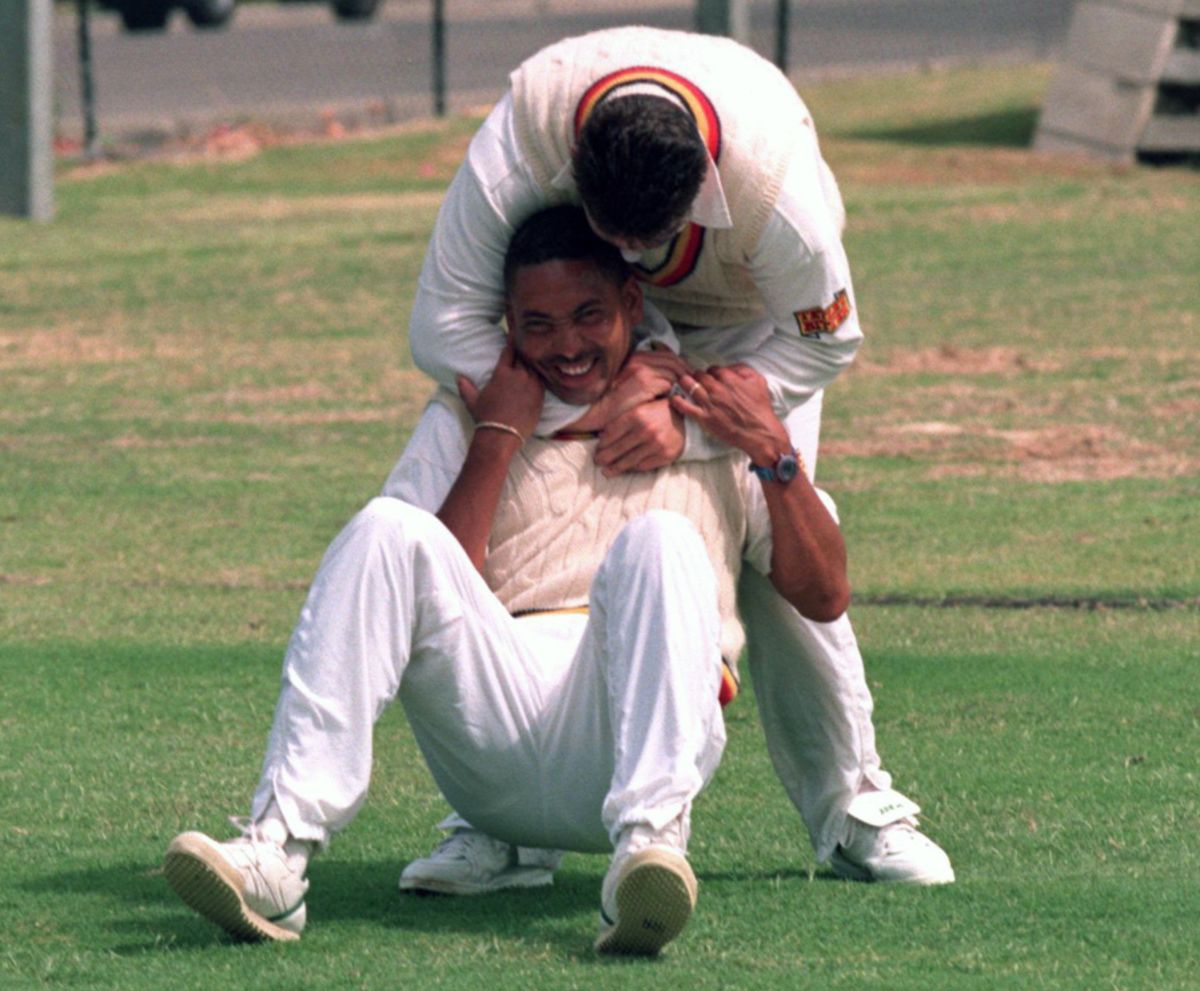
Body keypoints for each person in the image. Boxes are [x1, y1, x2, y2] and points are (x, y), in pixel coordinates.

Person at [163, 206, 853, 955]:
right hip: (493, 732)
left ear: (630, 304)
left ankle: (648, 854)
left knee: (660, 540)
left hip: (632, 732)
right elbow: (431, 579)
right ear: (507, 323)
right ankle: (278, 851)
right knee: (385, 527)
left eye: (588, 315)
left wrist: (771, 448)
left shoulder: (706, 409)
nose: (567, 347)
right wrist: (499, 433)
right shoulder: (474, 410)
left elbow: (824, 595)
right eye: (539, 324)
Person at [401, 25, 953, 888]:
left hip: (751, 332)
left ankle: (853, 805)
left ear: (700, 184)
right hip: (577, 320)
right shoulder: (523, 138)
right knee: (513, 493)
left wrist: (690, 422)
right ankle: (504, 816)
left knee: (771, 533)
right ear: (575, 173)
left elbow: (827, 342)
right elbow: (441, 327)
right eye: (610, 235)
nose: (636, 264)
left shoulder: (778, 194)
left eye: (646, 244)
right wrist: (591, 409)